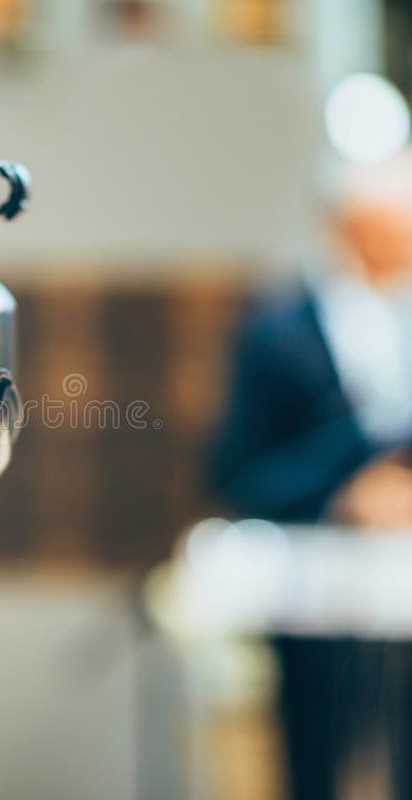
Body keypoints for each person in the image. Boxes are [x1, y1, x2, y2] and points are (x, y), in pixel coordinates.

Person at [212, 151, 412, 800]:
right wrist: (344, 498)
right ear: (346, 226)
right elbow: (240, 474)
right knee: (315, 764)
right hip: (316, 595)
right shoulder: (278, 332)